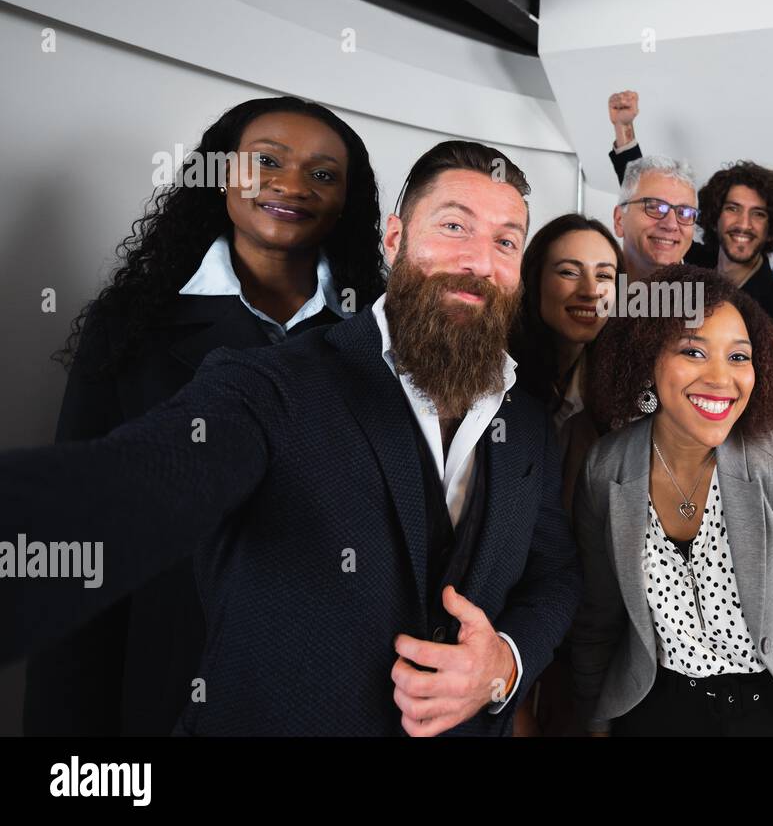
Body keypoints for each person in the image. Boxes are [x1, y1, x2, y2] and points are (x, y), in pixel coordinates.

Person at [0, 140, 580, 736]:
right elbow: (139, 484)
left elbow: (555, 577)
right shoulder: (272, 384)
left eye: (506, 242)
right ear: (394, 238)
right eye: (455, 225)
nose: (480, 262)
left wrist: (502, 664)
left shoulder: (527, 422)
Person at [23, 95, 387, 737]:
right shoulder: (133, 325)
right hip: (176, 676)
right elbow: (84, 540)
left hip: (343, 686)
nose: (292, 185)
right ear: (221, 173)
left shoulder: (382, 335)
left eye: (324, 174)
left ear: (346, 201)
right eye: (266, 161)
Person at [571, 265, 773, 737]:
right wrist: (595, 722)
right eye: (693, 351)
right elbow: (597, 616)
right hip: (654, 709)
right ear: (647, 358)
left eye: (739, 357)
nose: (721, 379)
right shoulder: (605, 469)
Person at [605, 90, 773, 424]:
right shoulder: (686, 254)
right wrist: (625, 135)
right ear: (714, 215)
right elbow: (650, 200)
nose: (743, 224)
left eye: (758, 214)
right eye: (733, 209)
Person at [507, 213, 623, 735]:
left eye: (604, 275)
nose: (589, 290)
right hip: (500, 611)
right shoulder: (492, 374)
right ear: (533, 279)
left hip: (581, 614)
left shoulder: (618, 383)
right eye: (568, 272)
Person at [613, 154, 699, 282]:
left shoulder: (708, 297)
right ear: (619, 220)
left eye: (684, 213)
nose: (671, 225)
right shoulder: (593, 291)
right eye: (654, 207)